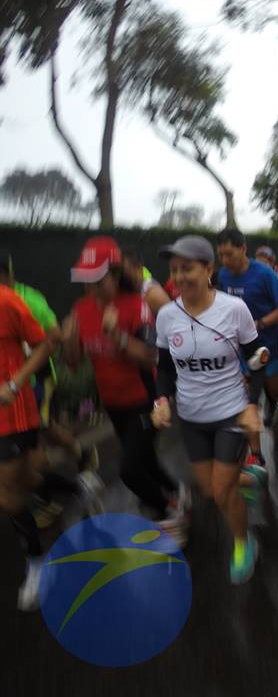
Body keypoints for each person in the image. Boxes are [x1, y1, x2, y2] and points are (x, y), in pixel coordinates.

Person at [152, 236, 266, 584]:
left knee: (221, 492)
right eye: (174, 270)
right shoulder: (167, 316)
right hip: (191, 418)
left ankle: (243, 542)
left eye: (188, 268)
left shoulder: (233, 309)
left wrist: (251, 405)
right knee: (210, 487)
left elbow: (258, 359)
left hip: (230, 413)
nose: (181, 276)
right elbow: (165, 367)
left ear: (208, 269)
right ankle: (251, 477)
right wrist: (161, 401)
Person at [62, 237, 187, 543]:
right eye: (86, 280)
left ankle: (167, 513)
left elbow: (151, 356)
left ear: (116, 275)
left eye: (98, 279)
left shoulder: (137, 306)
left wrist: (117, 336)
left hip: (145, 400)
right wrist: (68, 340)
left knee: (130, 471)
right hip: (113, 403)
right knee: (144, 460)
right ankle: (176, 491)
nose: (91, 287)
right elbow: (75, 363)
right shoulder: (82, 308)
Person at [0, 250, 101, 528]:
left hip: (38, 380)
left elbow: (54, 336)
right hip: (11, 392)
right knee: (32, 458)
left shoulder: (28, 299)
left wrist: (22, 348)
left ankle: (79, 458)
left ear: (7, 274)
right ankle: (60, 491)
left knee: (44, 435)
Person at [216, 228, 278, 449]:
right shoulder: (223, 275)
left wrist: (260, 324)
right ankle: (253, 454)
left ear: (243, 249)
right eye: (221, 255)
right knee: (245, 397)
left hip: (266, 345)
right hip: (239, 348)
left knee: (276, 392)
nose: (225, 260)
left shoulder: (265, 273)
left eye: (229, 254)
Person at [0, 281, 55, 609]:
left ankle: (36, 563)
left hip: (12, 413)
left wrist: (15, 382)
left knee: (8, 496)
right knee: (26, 482)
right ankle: (77, 485)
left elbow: (46, 343)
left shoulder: (8, 301)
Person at [122, 248, 171, 317]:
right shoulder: (121, 291)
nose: (122, 278)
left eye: (125, 273)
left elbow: (175, 322)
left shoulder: (154, 295)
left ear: (138, 267)